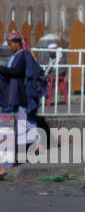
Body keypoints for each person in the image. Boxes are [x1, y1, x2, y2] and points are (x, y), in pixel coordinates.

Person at [1, 31, 47, 173]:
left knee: (24, 121)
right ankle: (34, 147)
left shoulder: (23, 55)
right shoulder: (17, 56)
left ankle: (36, 146)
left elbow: (17, 72)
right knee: (24, 121)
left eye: (11, 44)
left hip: (22, 93)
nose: (10, 47)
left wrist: (2, 69)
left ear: (18, 43)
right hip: (17, 94)